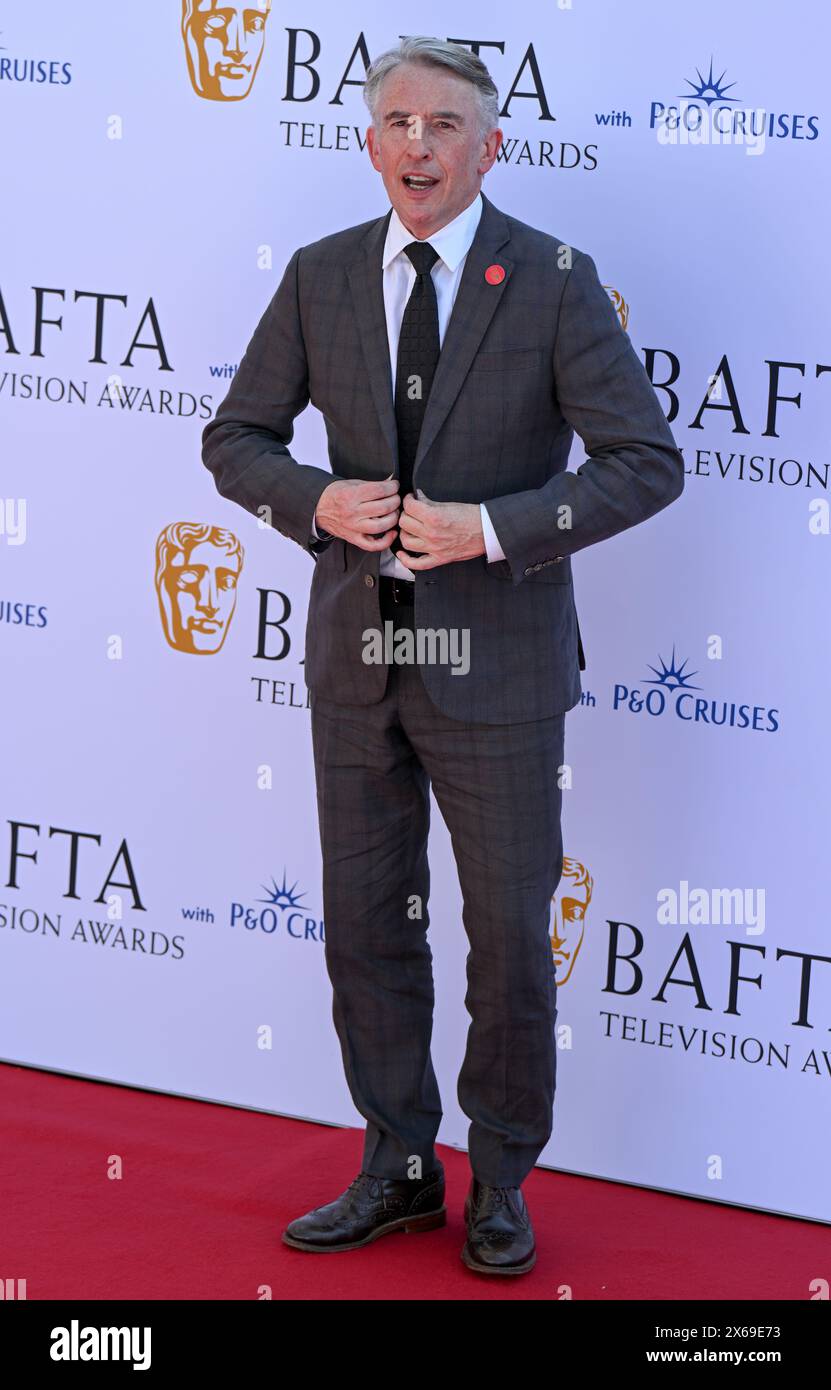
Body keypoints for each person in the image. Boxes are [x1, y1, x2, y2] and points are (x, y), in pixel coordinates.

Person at [202, 36, 684, 1277]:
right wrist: (313, 500)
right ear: (369, 143)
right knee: (367, 927)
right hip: (358, 659)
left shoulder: (558, 280)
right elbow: (236, 435)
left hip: (503, 672)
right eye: (399, 122)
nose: (420, 144)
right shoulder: (316, 276)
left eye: (447, 125)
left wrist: (494, 528)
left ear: (491, 145)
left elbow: (646, 463)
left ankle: (504, 1177)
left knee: (512, 937)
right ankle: (400, 1167)